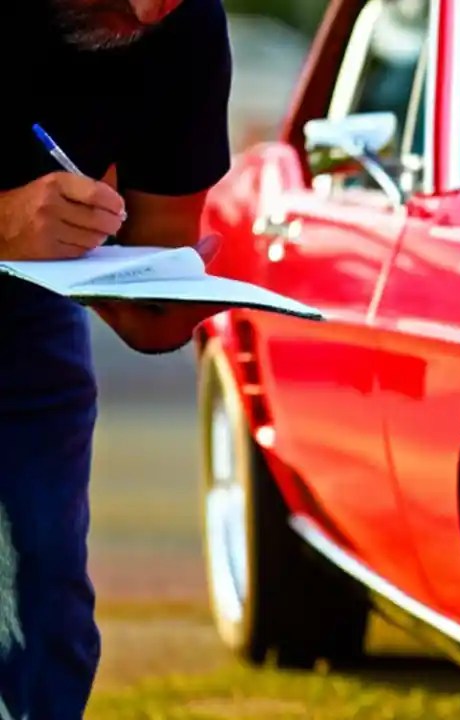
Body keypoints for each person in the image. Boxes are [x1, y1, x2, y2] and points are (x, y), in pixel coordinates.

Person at [0, 0, 232, 716]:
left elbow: (158, 260)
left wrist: (161, 303)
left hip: (26, 308)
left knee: (45, 594)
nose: (152, 5)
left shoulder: (185, 28)